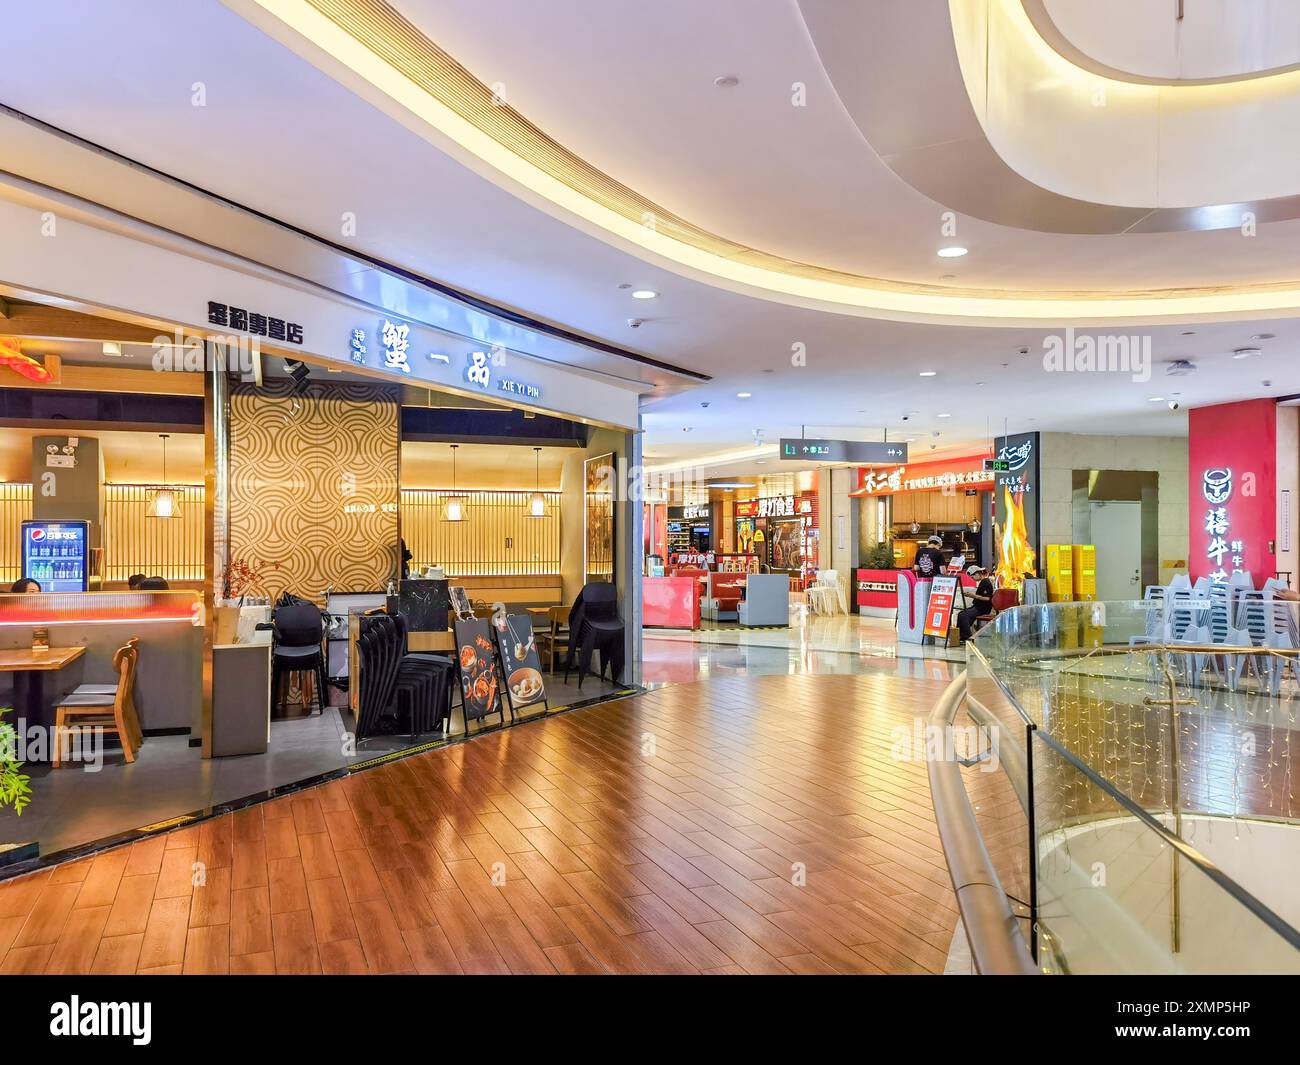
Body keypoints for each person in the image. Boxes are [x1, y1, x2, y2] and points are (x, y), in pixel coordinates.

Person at [958, 564, 995, 643]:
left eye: (973, 576)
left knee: (964, 615)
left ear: (978, 573)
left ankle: (967, 637)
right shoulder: (982, 582)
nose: (972, 579)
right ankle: (961, 636)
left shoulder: (985, 582)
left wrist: (973, 595)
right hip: (977, 607)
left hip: (982, 609)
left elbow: (987, 598)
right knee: (961, 614)